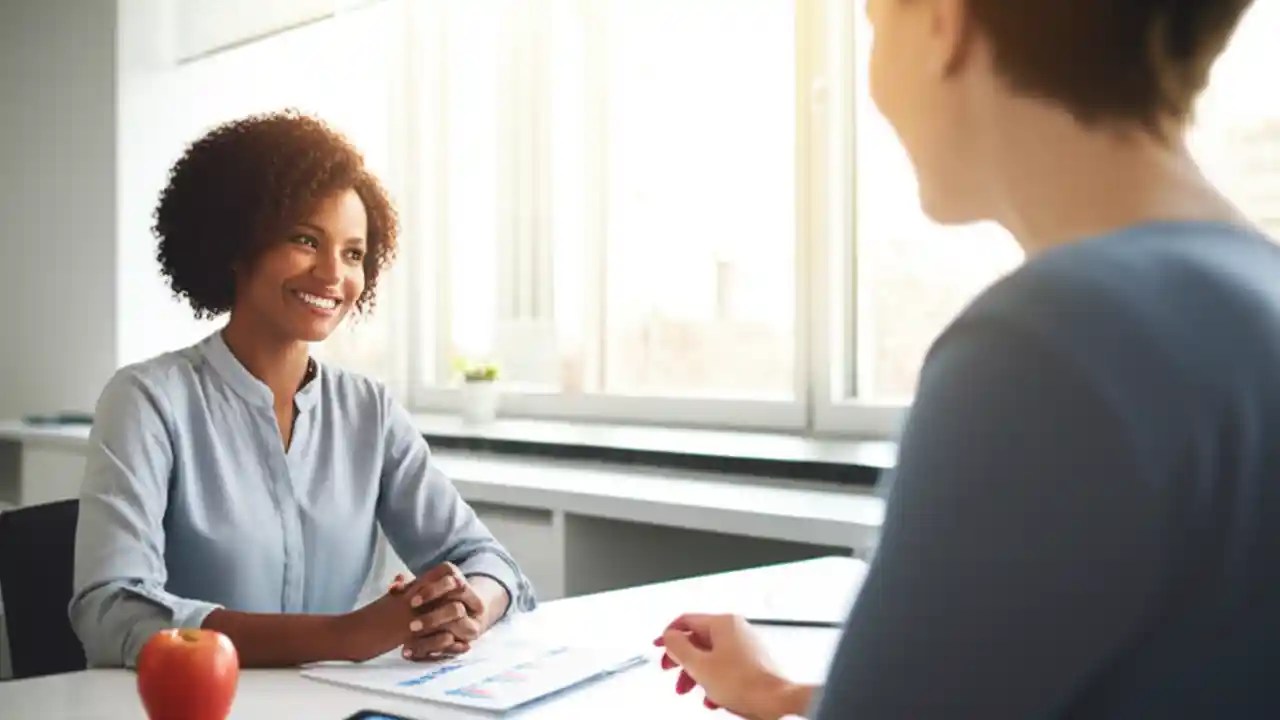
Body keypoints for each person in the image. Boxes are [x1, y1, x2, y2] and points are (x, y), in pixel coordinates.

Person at [657, 0, 1280, 717]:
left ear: (940, 24)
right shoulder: (1251, 293)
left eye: (871, 23)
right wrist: (785, 694)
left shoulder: (1050, 346)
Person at [70, 110, 535, 669]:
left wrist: (466, 609)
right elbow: (113, 612)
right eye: (305, 240)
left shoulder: (370, 411)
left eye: (354, 254)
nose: (333, 275)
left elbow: (486, 560)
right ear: (237, 243)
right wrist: (344, 636)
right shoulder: (147, 400)